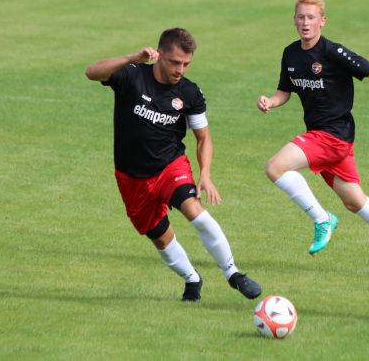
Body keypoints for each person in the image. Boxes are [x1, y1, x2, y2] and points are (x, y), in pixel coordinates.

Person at [85, 27, 261, 302]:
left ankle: (233, 274)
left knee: (195, 211)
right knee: (160, 237)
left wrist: (206, 174)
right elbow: (91, 71)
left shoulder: (189, 93)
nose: (181, 69)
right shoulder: (132, 75)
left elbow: (203, 138)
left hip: (170, 166)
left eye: (186, 64)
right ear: (159, 55)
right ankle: (192, 279)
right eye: (175, 62)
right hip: (131, 177)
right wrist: (132, 57)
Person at [256, 0, 369, 278]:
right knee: (355, 201)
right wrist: (271, 101)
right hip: (324, 138)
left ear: (322, 21)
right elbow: (285, 91)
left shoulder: (333, 52)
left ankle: (323, 219)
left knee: (275, 167)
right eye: (300, 17)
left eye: (311, 17)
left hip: (333, 136)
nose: (305, 22)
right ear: (294, 19)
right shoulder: (291, 53)